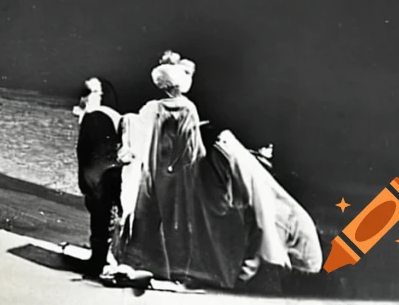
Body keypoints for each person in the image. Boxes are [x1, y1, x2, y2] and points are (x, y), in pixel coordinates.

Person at [119, 50, 321, 289]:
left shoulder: (163, 109)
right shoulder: (183, 109)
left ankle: (160, 266)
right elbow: (187, 146)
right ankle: (171, 268)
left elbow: (177, 141)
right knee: (178, 218)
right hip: (179, 170)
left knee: (167, 216)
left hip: (174, 169)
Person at [75, 77, 126, 278]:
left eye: (90, 93)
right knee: (111, 219)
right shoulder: (116, 116)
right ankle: (110, 258)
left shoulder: (91, 117)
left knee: (99, 219)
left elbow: (85, 152)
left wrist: (84, 181)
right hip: (115, 172)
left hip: (98, 176)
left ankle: (98, 261)